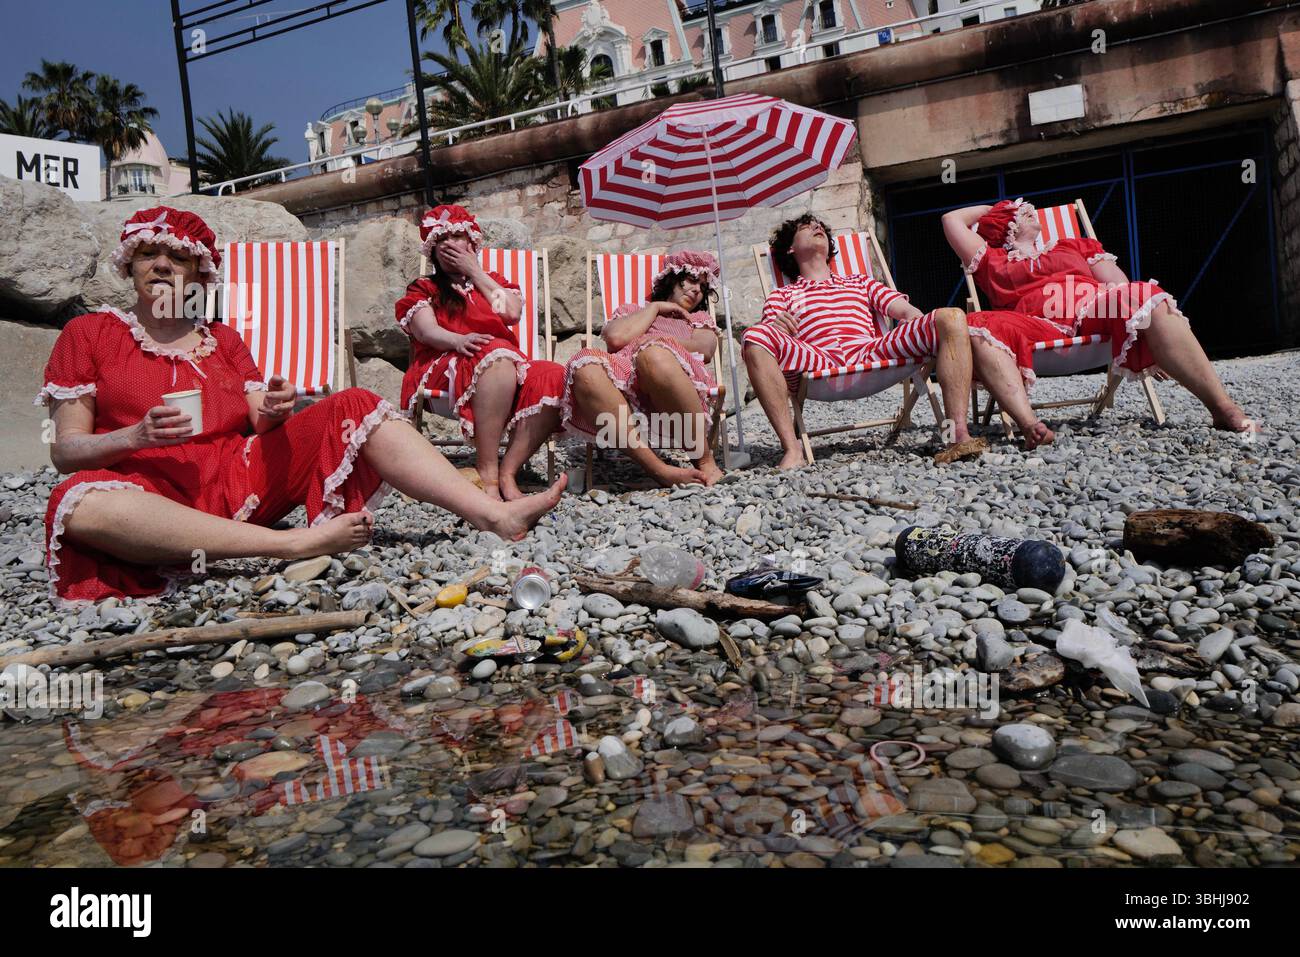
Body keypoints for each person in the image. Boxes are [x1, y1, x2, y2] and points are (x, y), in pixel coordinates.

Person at [39, 206, 565, 607]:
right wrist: (134, 437)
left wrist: (276, 406)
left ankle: (493, 514)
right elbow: (67, 450)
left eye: (177, 257)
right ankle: (292, 546)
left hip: (237, 480)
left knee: (356, 402)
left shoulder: (221, 340)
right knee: (79, 501)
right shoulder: (90, 334)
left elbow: (257, 421)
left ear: (200, 275)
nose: (161, 265)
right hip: (146, 496)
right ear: (128, 264)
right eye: (148, 253)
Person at [743, 214, 1054, 468]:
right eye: (805, 228)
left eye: (820, 227)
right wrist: (776, 326)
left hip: (869, 350)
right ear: (789, 250)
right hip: (816, 358)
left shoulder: (859, 282)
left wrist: (919, 322)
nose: (817, 228)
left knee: (951, 317)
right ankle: (793, 448)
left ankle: (958, 434)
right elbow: (769, 331)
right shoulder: (782, 294)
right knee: (754, 336)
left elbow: (903, 310)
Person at [943, 198, 1256, 433]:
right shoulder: (991, 260)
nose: (1030, 209)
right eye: (1021, 212)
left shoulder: (1072, 245)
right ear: (1006, 226)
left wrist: (1145, 333)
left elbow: (1119, 286)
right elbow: (951, 219)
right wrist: (995, 210)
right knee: (981, 323)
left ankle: (1222, 408)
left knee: (1143, 295)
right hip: (1034, 324)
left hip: (1092, 311)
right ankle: (1029, 425)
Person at [397, 205, 566, 500]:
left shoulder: (493, 283)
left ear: (473, 242)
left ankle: (508, 472)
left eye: (458, 236)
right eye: (442, 238)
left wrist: (475, 272)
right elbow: (426, 331)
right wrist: (457, 340)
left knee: (554, 375)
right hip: (447, 364)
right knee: (497, 356)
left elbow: (511, 313)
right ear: (432, 250)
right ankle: (486, 472)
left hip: (502, 366)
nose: (450, 243)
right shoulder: (424, 287)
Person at [562, 251, 726, 486]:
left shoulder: (697, 319)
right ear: (672, 278)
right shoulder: (632, 311)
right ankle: (658, 469)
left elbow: (705, 349)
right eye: (691, 280)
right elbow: (616, 338)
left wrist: (651, 342)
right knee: (585, 366)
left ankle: (705, 462)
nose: (697, 290)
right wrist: (655, 309)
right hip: (622, 389)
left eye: (703, 286)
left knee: (653, 355)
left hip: (671, 386)